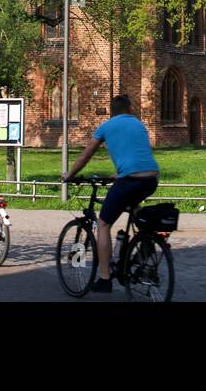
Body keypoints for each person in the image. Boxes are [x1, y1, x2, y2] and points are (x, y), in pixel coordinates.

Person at [62, 94, 159, 294]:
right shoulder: (139, 124)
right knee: (132, 205)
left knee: (104, 224)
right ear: (130, 109)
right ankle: (145, 241)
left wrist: (70, 174)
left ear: (113, 112)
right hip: (151, 178)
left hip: (130, 180)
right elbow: (138, 153)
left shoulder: (106, 127)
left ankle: (105, 278)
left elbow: (86, 155)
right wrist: (118, 173)